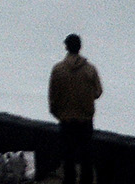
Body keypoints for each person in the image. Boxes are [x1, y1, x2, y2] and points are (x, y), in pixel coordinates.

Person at [49, 33, 103, 184]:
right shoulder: (90, 70)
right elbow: (98, 92)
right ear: (80, 47)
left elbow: (53, 97)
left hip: (66, 119)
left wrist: (58, 113)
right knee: (86, 156)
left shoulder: (58, 70)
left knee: (68, 157)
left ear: (66, 47)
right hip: (85, 119)